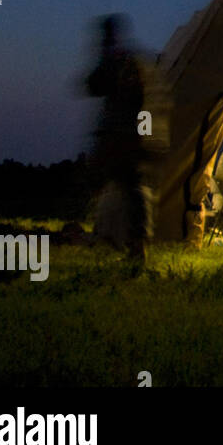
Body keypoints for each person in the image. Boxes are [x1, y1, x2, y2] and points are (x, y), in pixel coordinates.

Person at [86, 14, 150, 268]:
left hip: (118, 136)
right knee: (128, 189)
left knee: (125, 188)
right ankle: (128, 241)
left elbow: (92, 85)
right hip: (125, 135)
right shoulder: (130, 60)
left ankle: (127, 243)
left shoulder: (117, 60)